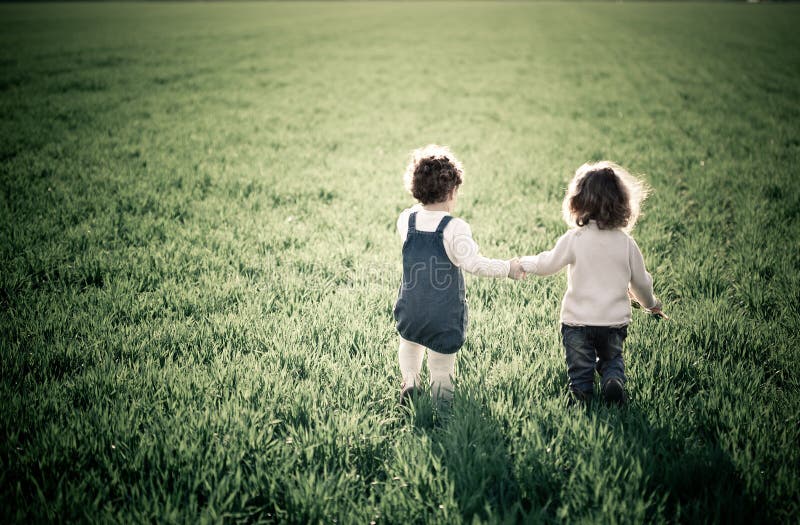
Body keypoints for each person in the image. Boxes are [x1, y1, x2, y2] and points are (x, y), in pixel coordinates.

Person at [519, 161, 665, 405]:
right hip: (613, 322)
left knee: (580, 366)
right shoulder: (626, 243)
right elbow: (641, 282)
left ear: (577, 202)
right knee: (612, 358)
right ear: (622, 204)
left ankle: (581, 392)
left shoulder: (575, 239)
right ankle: (612, 379)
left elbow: (547, 264)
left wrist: (523, 263)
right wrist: (651, 304)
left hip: (578, 322)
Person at [394, 144, 525, 407]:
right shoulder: (454, 228)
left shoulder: (406, 220)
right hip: (443, 314)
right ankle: (442, 407)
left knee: (409, 345)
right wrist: (507, 268)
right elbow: (475, 264)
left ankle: (410, 381)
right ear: (451, 191)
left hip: (411, 307)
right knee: (441, 364)